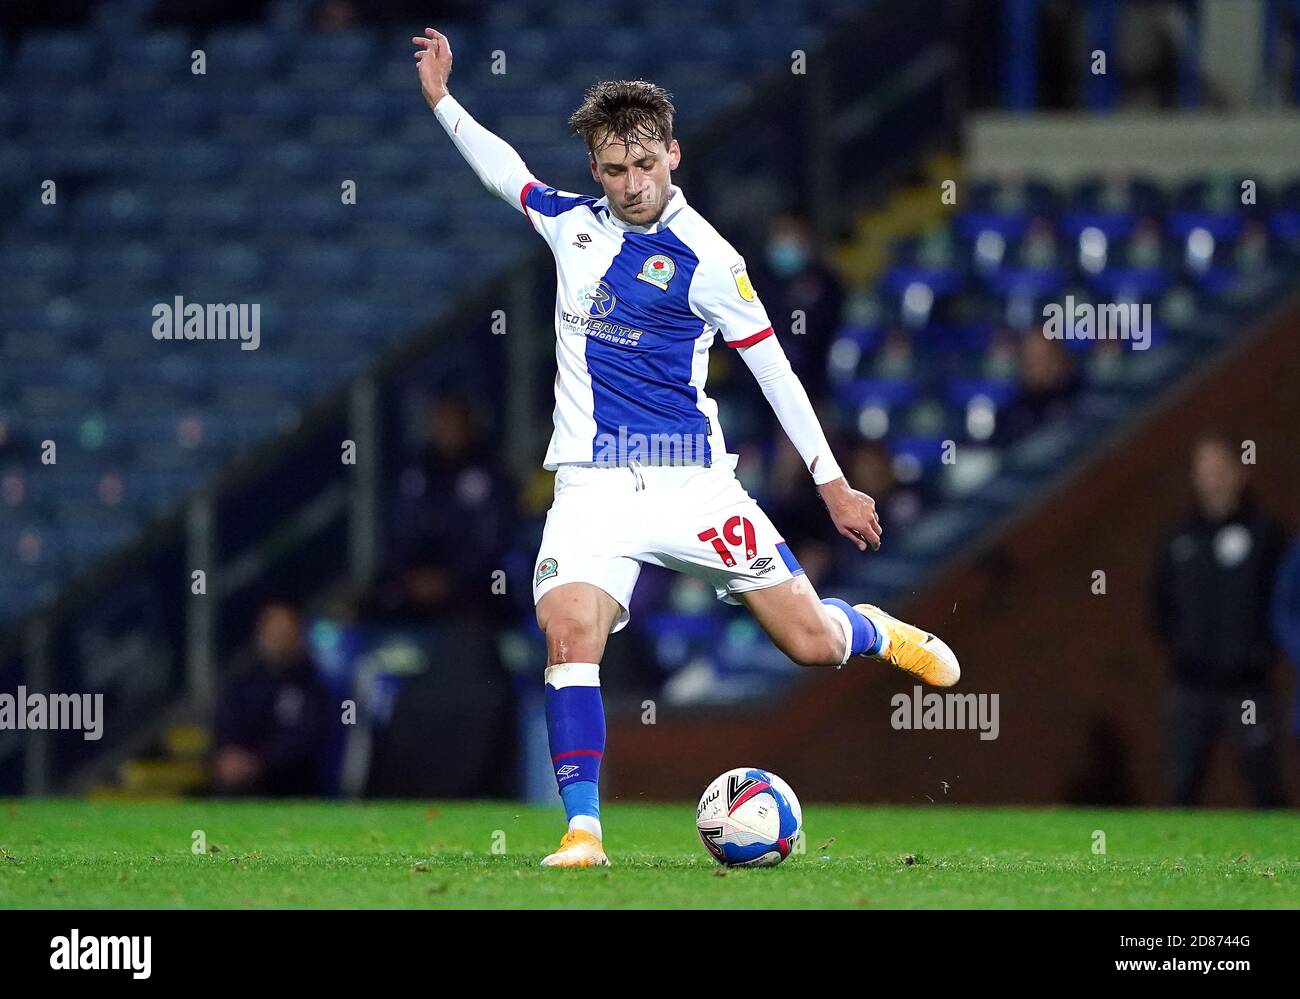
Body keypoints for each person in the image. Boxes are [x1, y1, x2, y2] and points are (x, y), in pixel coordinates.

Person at [413, 28, 960, 867]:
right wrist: (446, 102)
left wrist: (834, 483)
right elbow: (505, 170)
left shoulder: (710, 259)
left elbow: (774, 369)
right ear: (595, 170)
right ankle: (584, 830)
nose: (631, 185)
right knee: (568, 632)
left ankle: (874, 630)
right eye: (613, 169)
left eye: (644, 165)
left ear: (672, 154)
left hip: (692, 487)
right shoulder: (571, 225)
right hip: (592, 489)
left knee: (808, 641)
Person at [1151, 431, 1288, 807]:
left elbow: (1285, 600)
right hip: (1191, 687)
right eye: (1205, 469)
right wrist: (1181, 650)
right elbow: (1159, 606)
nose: (1213, 478)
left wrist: (1261, 651)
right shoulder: (1178, 538)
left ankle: (1281, 865)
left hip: (1248, 686)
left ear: (1240, 472)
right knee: (1181, 787)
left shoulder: (1266, 535)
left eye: (1221, 468)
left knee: (1265, 784)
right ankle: (1174, 865)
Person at [210, 602, 334, 796]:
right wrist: (229, 757)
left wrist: (260, 763)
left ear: (298, 637)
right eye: (273, 635)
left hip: (292, 788)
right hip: (240, 788)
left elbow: (306, 740)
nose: (278, 642)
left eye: (285, 635)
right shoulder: (243, 685)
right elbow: (225, 727)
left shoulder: (312, 688)